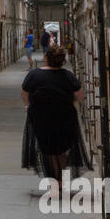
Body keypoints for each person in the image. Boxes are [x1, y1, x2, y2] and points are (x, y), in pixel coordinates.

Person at [21, 42, 90, 187]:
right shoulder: (68, 75)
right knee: (61, 149)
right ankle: (61, 178)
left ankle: (56, 178)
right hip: (64, 116)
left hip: (41, 117)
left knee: (50, 149)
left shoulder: (34, 74)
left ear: (46, 58)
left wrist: (28, 106)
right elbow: (80, 95)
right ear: (62, 60)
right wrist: (70, 102)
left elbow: (25, 93)